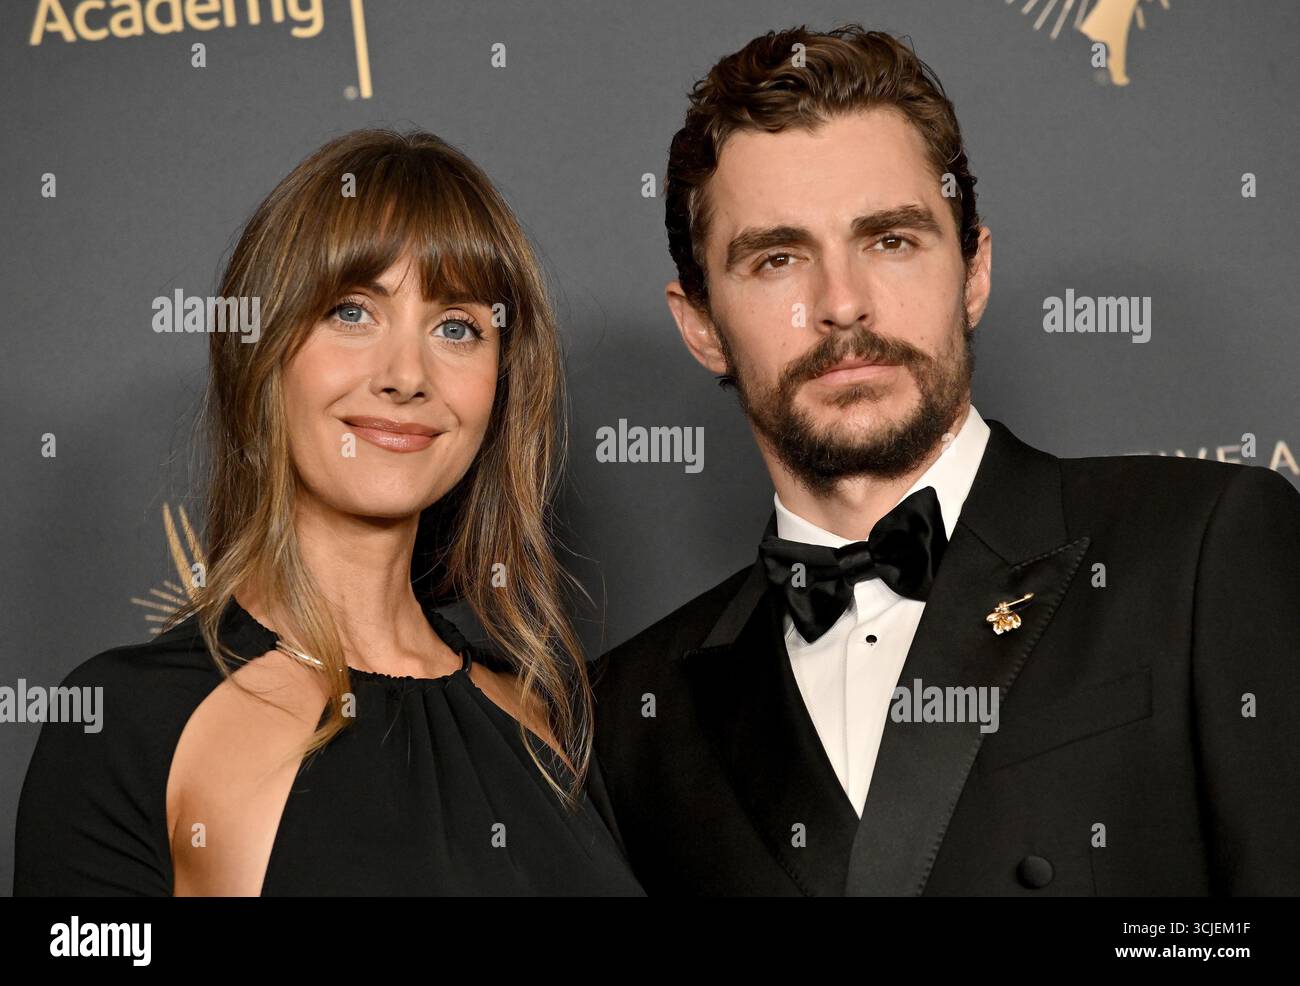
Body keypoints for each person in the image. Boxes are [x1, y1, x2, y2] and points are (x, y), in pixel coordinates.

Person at [591, 25, 1300, 896]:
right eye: (778, 259)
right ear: (700, 326)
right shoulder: (628, 716)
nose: (842, 304)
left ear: (973, 273)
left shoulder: (1197, 550)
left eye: (890, 240)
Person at [14, 129, 644, 896]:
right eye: (352, 312)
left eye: (457, 328)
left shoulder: (548, 721)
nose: (406, 375)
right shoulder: (129, 723)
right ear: (262, 352)